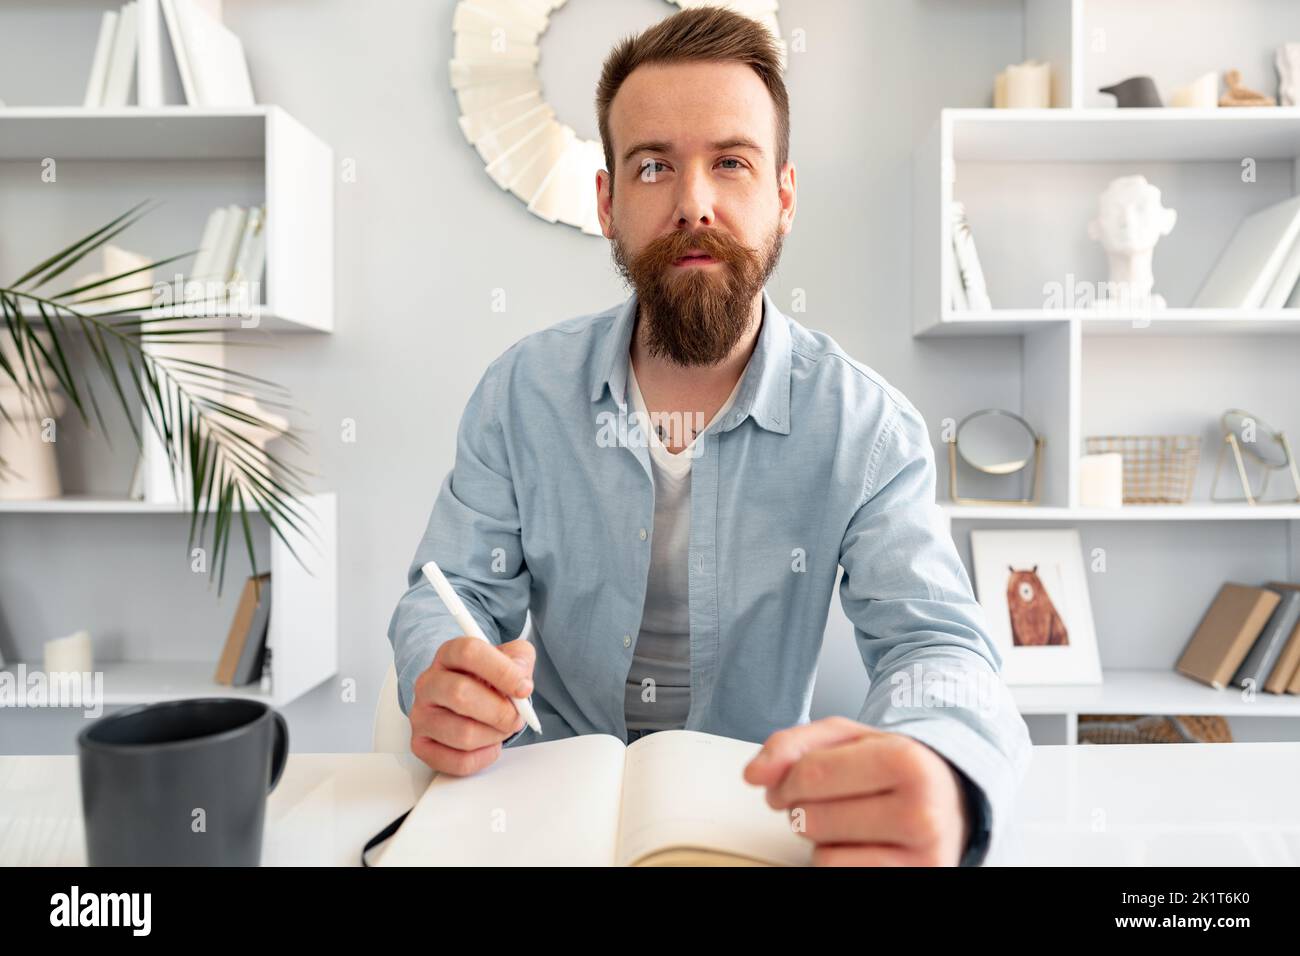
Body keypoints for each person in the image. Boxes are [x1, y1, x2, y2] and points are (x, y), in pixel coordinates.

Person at [388, 6, 1031, 866]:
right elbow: (449, 591)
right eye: (654, 166)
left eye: (731, 162)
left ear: (783, 196)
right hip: (539, 811)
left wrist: (942, 767)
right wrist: (443, 670)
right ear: (609, 202)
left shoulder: (867, 428)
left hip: (752, 818)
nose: (694, 203)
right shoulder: (520, 394)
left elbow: (939, 644)